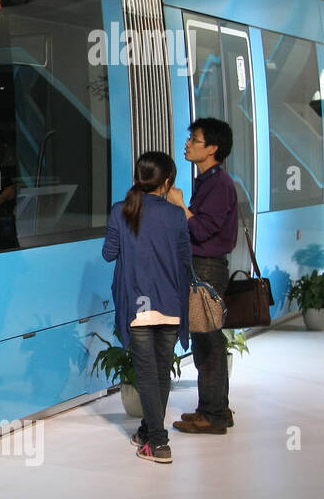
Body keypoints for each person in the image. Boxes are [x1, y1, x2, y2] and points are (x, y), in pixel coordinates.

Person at [102, 151, 192, 464]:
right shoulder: (176, 215)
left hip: (139, 306)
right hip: (171, 305)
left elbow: (108, 254)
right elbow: (184, 261)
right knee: (160, 373)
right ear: (167, 182)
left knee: (148, 375)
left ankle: (159, 442)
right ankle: (146, 430)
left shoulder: (120, 211)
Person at [167, 118, 240, 434]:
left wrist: (180, 204)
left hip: (208, 268)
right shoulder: (209, 180)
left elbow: (202, 229)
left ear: (213, 148)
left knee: (208, 342)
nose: (188, 143)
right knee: (205, 341)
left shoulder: (218, 183)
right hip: (204, 266)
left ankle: (213, 415)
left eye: (195, 139)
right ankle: (214, 409)